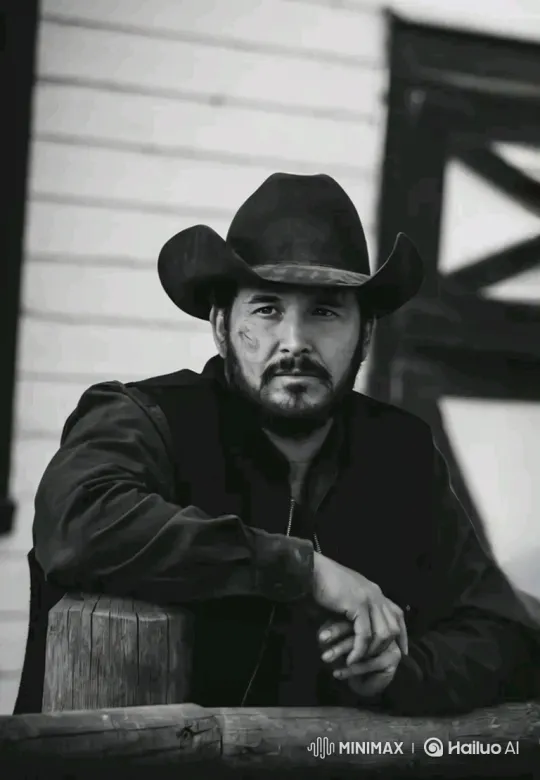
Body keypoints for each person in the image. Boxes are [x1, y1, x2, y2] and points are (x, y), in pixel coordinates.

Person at [14, 173, 539, 715]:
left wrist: (401, 673)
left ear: (366, 333)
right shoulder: (146, 418)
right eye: (267, 309)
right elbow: (78, 520)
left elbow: (502, 632)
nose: (294, 342)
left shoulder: (400, 454)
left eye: (325, 311)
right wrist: (302, 570)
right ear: (221, 325)